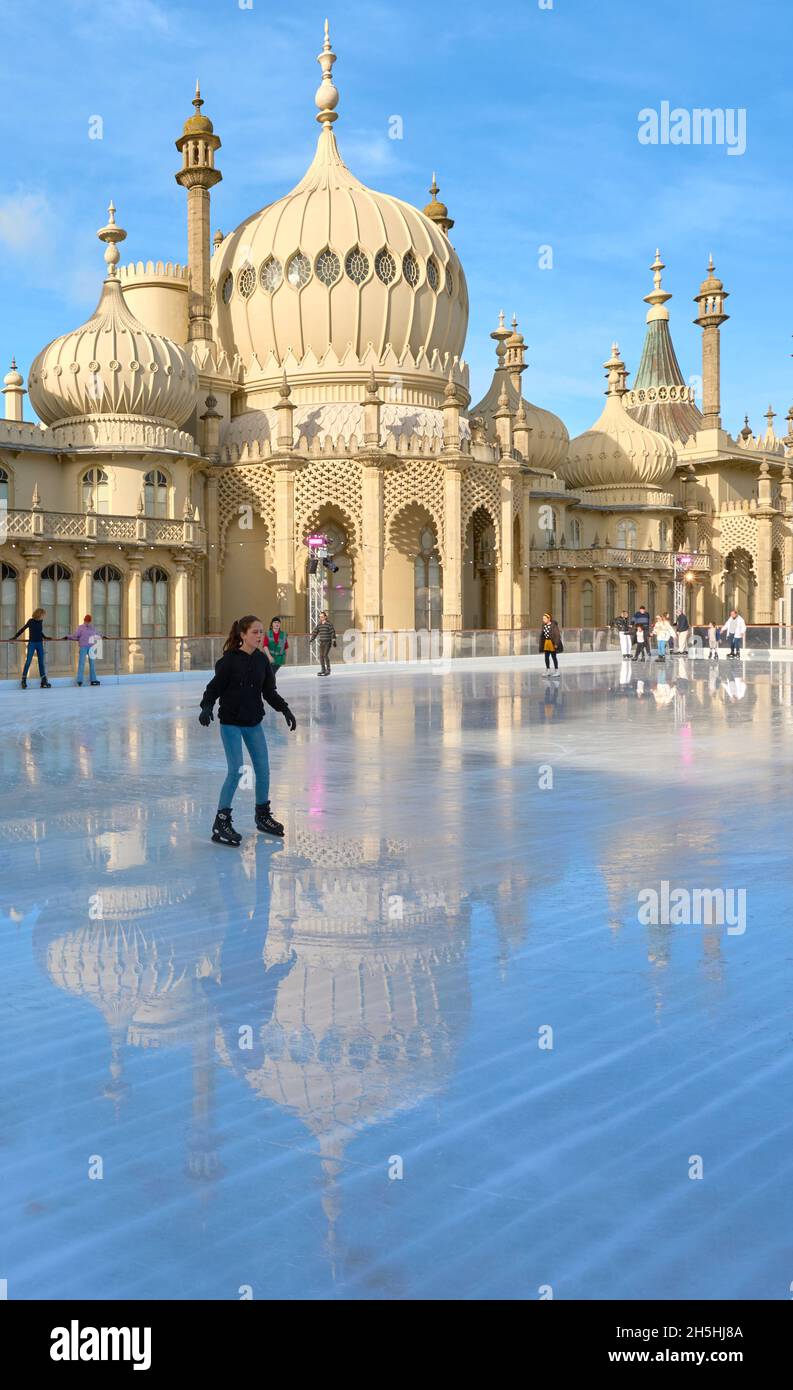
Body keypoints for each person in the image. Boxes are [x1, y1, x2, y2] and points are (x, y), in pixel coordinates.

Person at [199, 614, 297, 846]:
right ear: (242, 635)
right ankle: (221, 821)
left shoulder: (262, 661)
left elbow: (269, 692)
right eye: (255, 632)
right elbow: (212, 689)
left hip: (253, 722)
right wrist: (206, 707)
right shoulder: (229, 661)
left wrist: (285, 709)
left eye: (261, 632)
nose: (259, 635)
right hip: (231, 722)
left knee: (263, 768)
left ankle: (262, 815)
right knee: (236, 770)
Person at [11, 607, 52, 688]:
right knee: (28, 661)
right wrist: (15, 637)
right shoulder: (31, 621)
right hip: (32, 643)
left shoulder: (40, 622)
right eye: (43, 615)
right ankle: (23, 680)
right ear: (39, 614)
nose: (44, 617)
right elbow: (23, 629)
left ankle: (43, 681)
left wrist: (45, 637)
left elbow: (39, 632)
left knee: (41, 662)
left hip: (39, 643)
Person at [63, 614, 104, 686]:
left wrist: (102, 636)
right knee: (81, 663)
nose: (87, 622)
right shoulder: (80, 627)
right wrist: (68, 637)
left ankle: (93, 680)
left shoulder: (92, 628)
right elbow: (76, 636)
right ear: (84, 620)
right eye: (86, 620)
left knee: (92, 664)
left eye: (89, 621)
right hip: (83, 647)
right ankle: (79, 680)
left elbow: (96, 634)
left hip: (91, 647)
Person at [309, 610, 337, 676]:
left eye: (321, 617)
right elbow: (315, 632)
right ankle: (323, 669)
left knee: (325, 655)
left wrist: (334, 641)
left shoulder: (329, 624)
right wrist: (312, 639)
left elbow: (333, 632)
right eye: (319, 617)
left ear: (325, 617)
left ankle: (328, 669)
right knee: (321, 656)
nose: (320, 618)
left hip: (328, 642)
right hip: (322, 642)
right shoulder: (319, 624)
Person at [263, 616, 288, 683]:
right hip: (270, 658)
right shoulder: (268, 634)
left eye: (278, 622)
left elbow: (286, 647)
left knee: (271, 673)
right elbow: (265, 646)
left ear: (280, 624)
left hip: (279, 659)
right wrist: (269, 657)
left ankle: (271, 688)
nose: (277, 624)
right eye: (275, 622)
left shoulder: (283, 635)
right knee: (271, 674)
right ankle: (271, 688)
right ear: (272, 624)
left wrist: (285, 657)